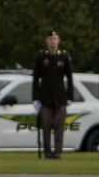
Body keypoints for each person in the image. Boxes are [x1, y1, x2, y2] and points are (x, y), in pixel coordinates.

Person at [31, 31, 74, 160]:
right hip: (45, 98)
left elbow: (70, 78)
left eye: (55, 38)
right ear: (46, 41)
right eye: (50, 39)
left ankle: (58, 151)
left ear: (58, 41)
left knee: (59, 127)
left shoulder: (64, 57)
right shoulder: (41, 57)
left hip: (60, 97)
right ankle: (48, 152)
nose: (52, 41)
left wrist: (70, 96)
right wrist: (35, 98)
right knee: (46, 127)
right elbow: (36, 79)